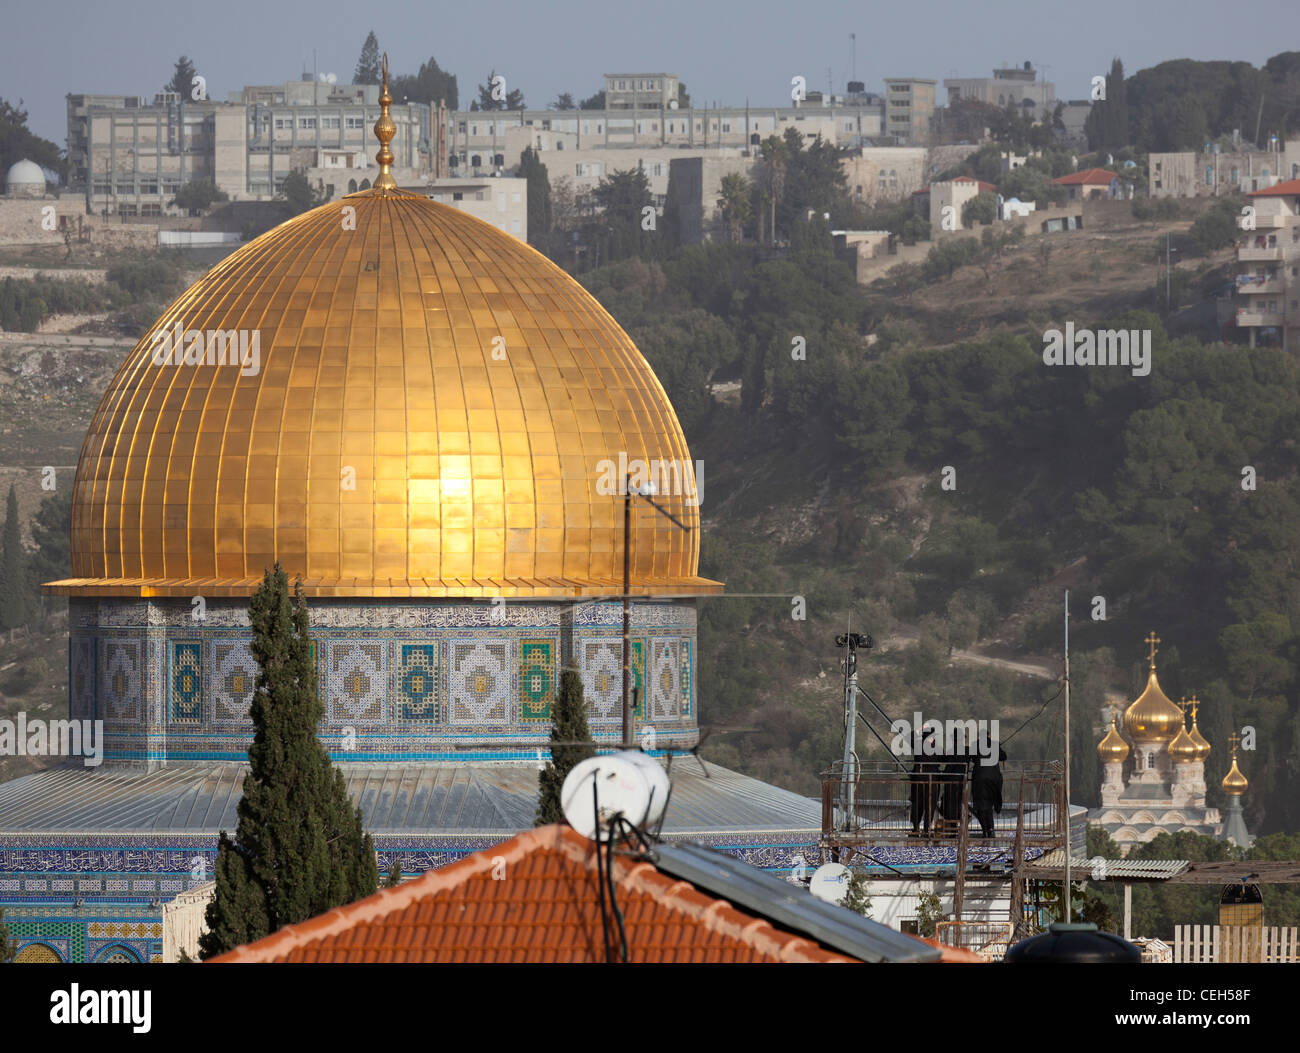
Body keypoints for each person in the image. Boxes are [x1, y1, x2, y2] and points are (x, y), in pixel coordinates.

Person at [909, 730, 941, 836]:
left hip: (918, 779)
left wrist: (917, 730)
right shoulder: (937, 747)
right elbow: (943, 758)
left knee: (917, 804)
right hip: (932, 780)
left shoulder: (918, 745)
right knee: (930, 805)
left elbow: (909, 737)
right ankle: (926, 830)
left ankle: (915, 829)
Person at [970, 747, 1006, 837]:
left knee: (980, 806)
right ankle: (991, 830)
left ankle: (985, 830)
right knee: (989, 806)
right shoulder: (994, 744)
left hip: (979, 779)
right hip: (993, 779)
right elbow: (1003, 757)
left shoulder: (976, 745)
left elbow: (972, 758)